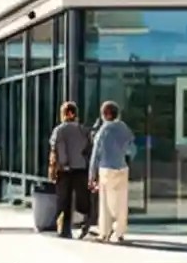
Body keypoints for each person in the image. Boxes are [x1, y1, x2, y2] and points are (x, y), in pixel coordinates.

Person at [88, 101, 136, 243]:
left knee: (105, 203)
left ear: (105, 115)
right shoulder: (124, 128)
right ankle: (119, 232)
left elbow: (95, 154)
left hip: (106, 169)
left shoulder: (103, 130)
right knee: (121, 202)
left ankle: (104, 232)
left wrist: (91, 175)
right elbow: (131, 149)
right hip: (122, 168)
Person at [47, 101, 90, 238]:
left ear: (65, 114)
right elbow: (89, 148)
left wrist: (60, 165)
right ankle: (84, 222)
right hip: (81, 168)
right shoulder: (83, 130)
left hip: (65, 170)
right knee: (82, 198)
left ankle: (65, 230)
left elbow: (58, 149)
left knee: (64, 200)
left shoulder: (59, 130)